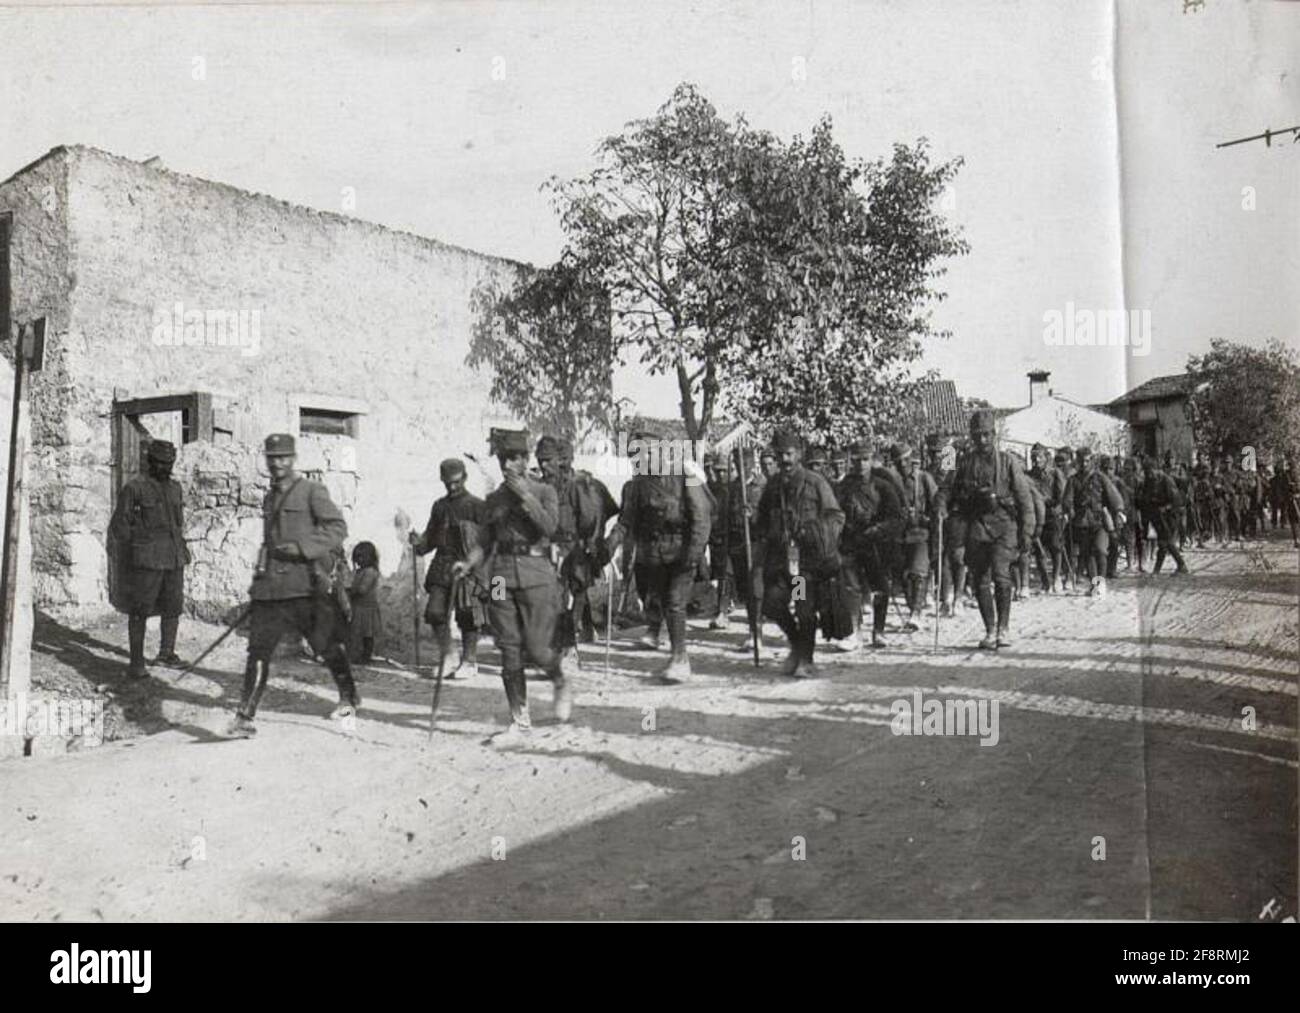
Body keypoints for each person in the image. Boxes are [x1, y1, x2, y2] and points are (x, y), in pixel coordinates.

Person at [227, 434, 359, 737]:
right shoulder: (270, 497)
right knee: (258, 651)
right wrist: (258, 581)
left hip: (305, 588)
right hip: (271, 588)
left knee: (324, 645)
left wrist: (303, 548)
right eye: (272, 457)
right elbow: (268, 542)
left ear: (293, 458)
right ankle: (244, 717)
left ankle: (349, 695)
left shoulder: (311, 491)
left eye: (283, 457)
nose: (277, 463)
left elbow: (338, 528)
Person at [453, 428, 568, 742]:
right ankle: (519, 721)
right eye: (504, 459)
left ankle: (558, 679)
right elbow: (484, 541)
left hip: (537, 576)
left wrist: (526, 497)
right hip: (501, 577)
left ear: (525, 460)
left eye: (515, 459)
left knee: (537, 648)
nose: (508, 465)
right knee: (508, 647)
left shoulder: (544, 492)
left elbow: (550, 528)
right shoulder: (493, 500)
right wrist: (468, 563)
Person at [613, 432, 711, 681]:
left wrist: (692, 555)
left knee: (675, 600)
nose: (639, 461)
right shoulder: (637, 486)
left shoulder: (685, 477)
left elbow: (701, 517)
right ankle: (672, 650)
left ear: (658, 453)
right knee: (665, 602)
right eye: (634, 457)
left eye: (644, 455)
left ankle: (681, 660)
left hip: (682, 551)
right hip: (655, 554)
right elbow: (626, 522)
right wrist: (609, 544)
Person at [755, 432, 845, 674]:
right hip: (780, 560)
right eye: (780, 454)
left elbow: (836, 517)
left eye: (789, 454)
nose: (784, 459)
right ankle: (796, 644)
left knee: (804, 607)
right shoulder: (773, 485)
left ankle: (806, 659)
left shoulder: (815, 483)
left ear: (799, 454)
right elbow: (761, 520)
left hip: (805, 562)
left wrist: (813, 533)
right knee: (772, 603)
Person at [947, 410, 1034, 647]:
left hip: (1005, 525)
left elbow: (1025, 499)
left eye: (986, 435)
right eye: (977, 436)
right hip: (977, 525)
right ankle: (990, 630)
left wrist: (1027, 532)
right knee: (980, 580)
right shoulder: (964, 463)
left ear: (994, 435)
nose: (982, 440)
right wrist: (942, 505)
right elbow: (950, 492)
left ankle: (1004, 629)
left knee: (1001, 573)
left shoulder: (1008, 462)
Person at [108, 439, 191, 678]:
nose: (166, 468)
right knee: (140, 610)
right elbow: (119, 526)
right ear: (150, 462)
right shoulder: (135, 488)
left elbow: (178, 521)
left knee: (173, 606)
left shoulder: (175, 488)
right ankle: (136, 663)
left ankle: (166, 653)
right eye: (161, 463)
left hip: (174, 557)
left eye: (169, 463)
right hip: (147, 560)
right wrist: (137, 548)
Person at [536, 435, 619, 674]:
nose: (544, 466)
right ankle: (561, 645)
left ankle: (569, 651)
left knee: (569, 599)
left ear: (561, 461)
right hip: (549, 552)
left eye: (548, 460)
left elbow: (592, 517)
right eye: (540, 461)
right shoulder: (542, 486)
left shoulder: (577, 485)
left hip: (574, 551)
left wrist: (592, 546)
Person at [411, 458, 488, 679]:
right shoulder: (439, 506)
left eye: (456, 482)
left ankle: (470, 661)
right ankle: (449, 655)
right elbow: (430, 538)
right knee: (435, 612)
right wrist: (419, 542)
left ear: (464, 478)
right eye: (448, 483)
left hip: (468, 567)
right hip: (442, 564)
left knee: (468, 616)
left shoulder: (477, 506)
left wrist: (472, 564)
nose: (452, 487)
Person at [840, 438, 904, 648]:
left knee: (880, 588)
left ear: (871, 459)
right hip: (850, 543)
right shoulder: (843, 487)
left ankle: (878, 631)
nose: (860, 464)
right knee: (851, 588)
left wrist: (878, 529)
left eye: (865, 459)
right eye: (856, 460)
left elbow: (897, 518)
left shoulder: (883, 486)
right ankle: (854, 633)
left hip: (877, 546)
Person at [1062, 447, 1125, 597]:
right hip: (1081, 521)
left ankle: (1100, 583)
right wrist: (1068, 509)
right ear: (1077, 462)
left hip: (1099, 520)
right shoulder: (1073, 480)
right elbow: (1067, 499)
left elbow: (1113, 495)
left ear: (1091, 461)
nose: (1084, 464)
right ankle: (1094, 584)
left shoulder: (1100, 478)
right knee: (1087, 554)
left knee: (1100, 550)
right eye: (1081, 461)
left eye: (1087, 461)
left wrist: (1119, 510)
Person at [890, 442, 938, 630]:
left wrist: (931, 518)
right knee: (903, 575)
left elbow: (937, 504)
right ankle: (800, 603)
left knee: (918, 572)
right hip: (899, 534)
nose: (902, 464)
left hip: (920, 532)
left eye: (905, 460)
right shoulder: (892, 481)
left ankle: (916, 613)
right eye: (898, 461)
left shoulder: (924, 478)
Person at [1138, 457, 1189, 576]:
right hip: (1157, 516)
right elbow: (1146, 498)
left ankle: (1174, 567)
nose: (1148, 475)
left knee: (1165, 542)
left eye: (1150, 472)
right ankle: (1178, 566)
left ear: (1156, 469)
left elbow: (1177, 501)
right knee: (1164, 542)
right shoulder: (1149, 481)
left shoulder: (1166, 480)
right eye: (1146, 473)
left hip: (1170, 516)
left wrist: (1165, 508)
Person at [1028, 443, 1067, 590]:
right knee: (1038, 549)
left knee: (1056, 547)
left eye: (1039, 456)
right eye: (1033, 457)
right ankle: (1045, 580)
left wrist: (1050, 502)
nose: (1036, 460)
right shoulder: (1029, 475)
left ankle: (1056, 577)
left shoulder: (1055, 473)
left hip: (1052, 515)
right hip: (1036, 518)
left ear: (1045, 458)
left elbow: (1062, 495)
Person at [349, 541, 381, 664]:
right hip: (358, 607)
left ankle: (366, 656)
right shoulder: (360, 571)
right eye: (356, 558)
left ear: (369, 557)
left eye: (361, 557)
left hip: (367, 608)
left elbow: (362, 589)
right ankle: (357, 654)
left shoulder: (370, 572)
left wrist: (351, 591)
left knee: (367, 634)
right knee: (358, 633)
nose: (358, 561)